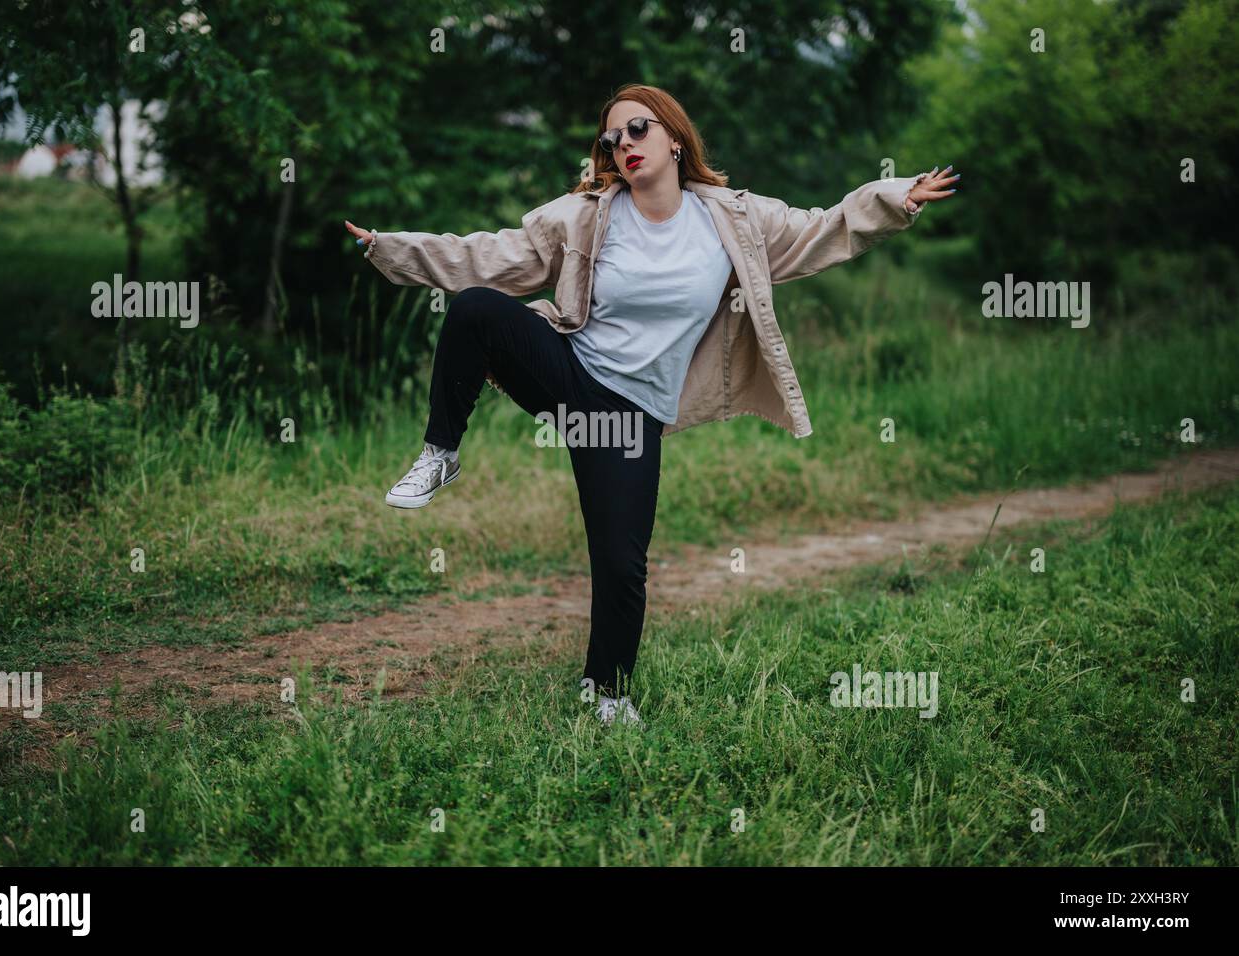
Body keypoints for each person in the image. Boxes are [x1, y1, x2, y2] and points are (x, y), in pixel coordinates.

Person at [344, 83, 959, 727]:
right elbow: (490, 256)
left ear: (672, 134)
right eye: (613, 139)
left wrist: (894, 198)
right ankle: (440, 453)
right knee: (475, 309)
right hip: (570, 375)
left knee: (620, 562)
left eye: (637, 130)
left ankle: (605, 694)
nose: (625, 146)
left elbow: (824, 228)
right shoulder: (587, 214)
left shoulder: (733, 219)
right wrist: (391, 248)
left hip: (631, 419)